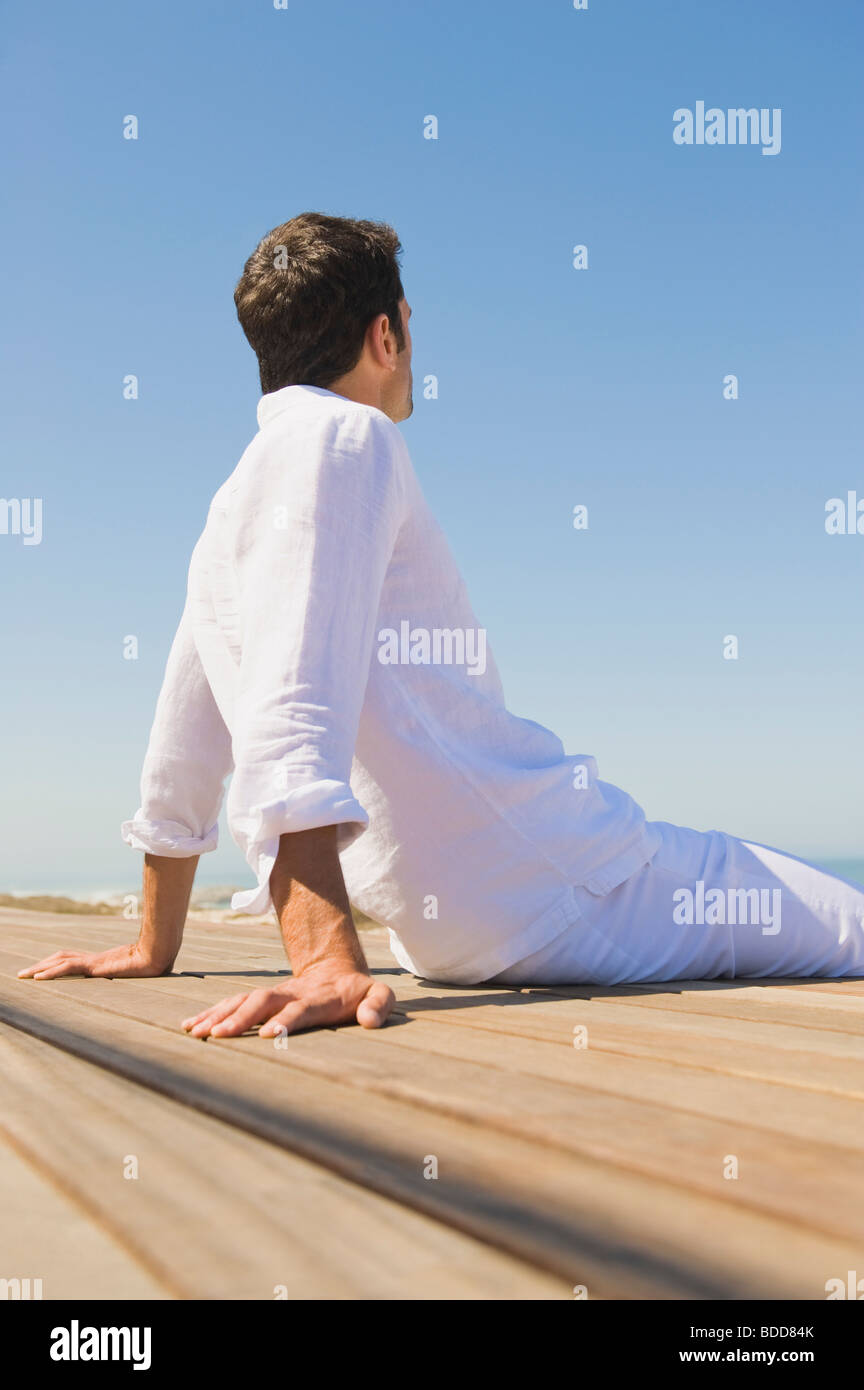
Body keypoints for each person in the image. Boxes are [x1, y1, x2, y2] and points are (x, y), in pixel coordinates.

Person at [20, 213, 864, 1036]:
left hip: (458, 932)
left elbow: (185, 739)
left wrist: (154, 942)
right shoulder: (348, 439)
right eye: (411, 326)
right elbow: (293, 706)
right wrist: (319, 957)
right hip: (566, 887)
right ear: (385, 334)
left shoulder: (228, 509)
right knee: (848, 923)